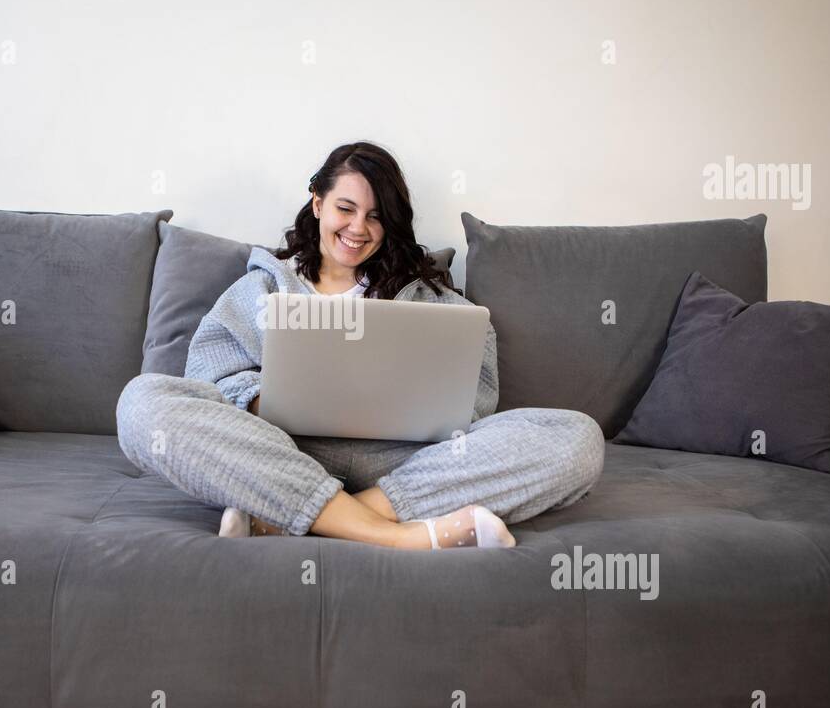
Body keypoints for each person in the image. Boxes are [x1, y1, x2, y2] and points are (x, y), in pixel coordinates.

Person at [116, 141, 605, 550]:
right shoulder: (264, 287)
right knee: (142, 402)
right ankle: (404, 537)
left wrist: (425, 409)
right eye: (345, 209)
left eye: (375, 217)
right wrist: (269, 399)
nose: (358, 229)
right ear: (317, 204)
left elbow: (474, 397)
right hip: (282, 454)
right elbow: (208, 375)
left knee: (577, 438)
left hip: (404, 460)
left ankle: (294, 518)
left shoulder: (429, 296)